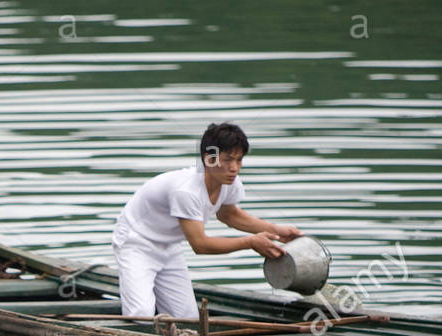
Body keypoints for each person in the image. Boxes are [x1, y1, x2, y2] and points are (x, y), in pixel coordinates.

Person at [112, 122, 305, 319]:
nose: (235, 168)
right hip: (135, 242)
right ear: (209, 159)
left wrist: (277, 231)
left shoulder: (229, 182)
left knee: (187, 319)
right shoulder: (186, 191)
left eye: (239, 160)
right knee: (140, 315)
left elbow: (228, 215)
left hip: (169, 245)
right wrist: (250, 242)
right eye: (228, 160)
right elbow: (200, 245)